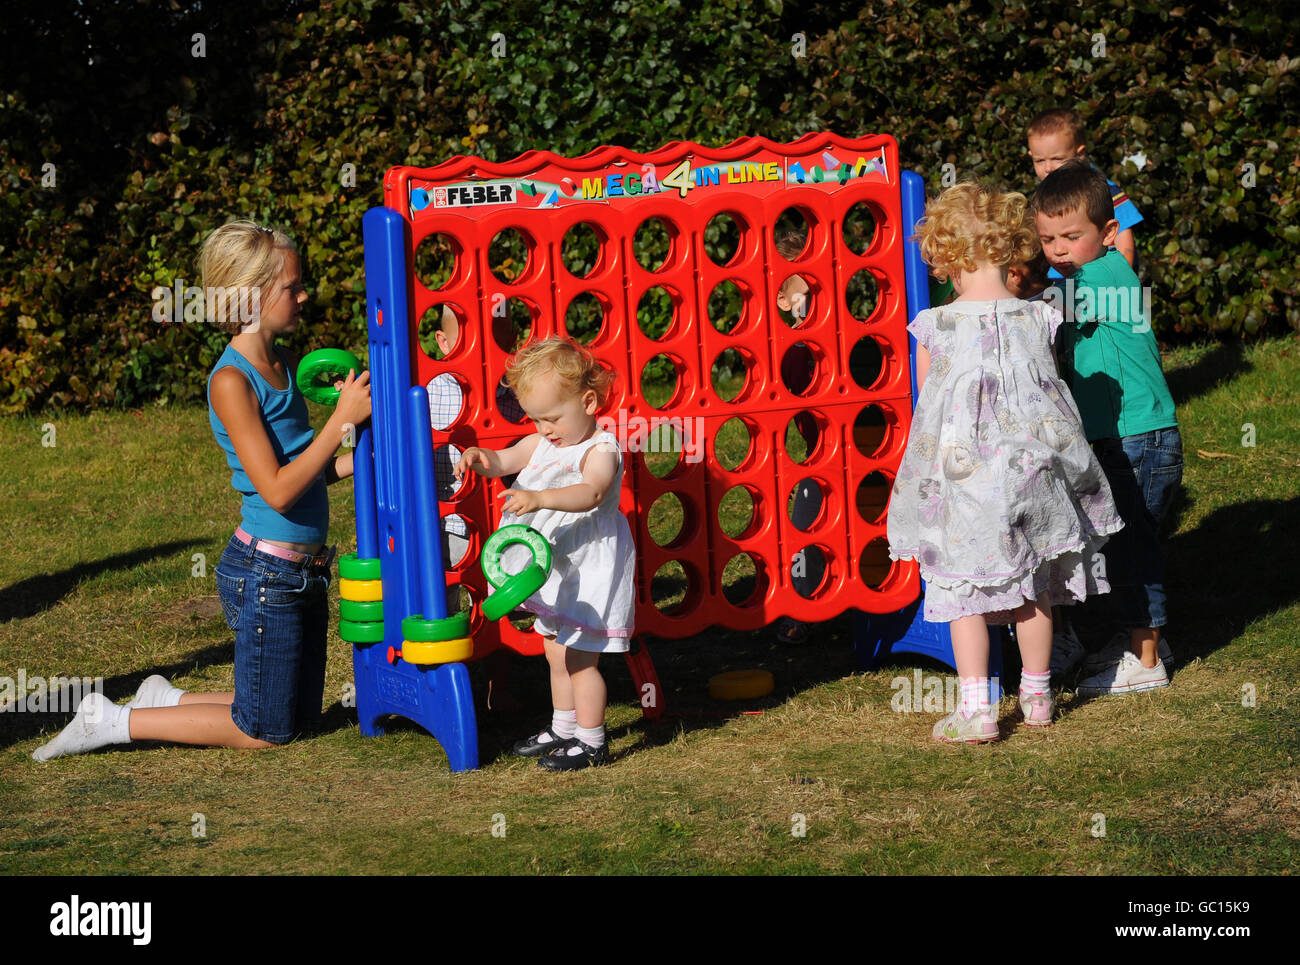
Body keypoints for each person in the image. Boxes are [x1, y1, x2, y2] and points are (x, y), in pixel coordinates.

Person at [32, 220, 371, 762]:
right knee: (264, 730)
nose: (305, 295)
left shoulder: (282, 365)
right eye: (293, 287)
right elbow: (279, 491)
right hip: (266, 574)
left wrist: (360, 458)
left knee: (298, 719)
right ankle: (112, 719)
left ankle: (167, 697)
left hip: (303, 573)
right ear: (253, 296)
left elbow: (307, 469)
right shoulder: (231, 382)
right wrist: (340, 422)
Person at [885, 182, 1122, 743]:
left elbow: (932, 407)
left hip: (969, 482)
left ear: (943, 257)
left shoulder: (935, 326)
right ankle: (1037, 696)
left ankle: (978, 709)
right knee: (1034, 587)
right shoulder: (1038, 316)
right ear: (1014, 248)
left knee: (965, 593)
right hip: (1035, 472)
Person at [1034, 161, 1182, 696]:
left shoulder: (1100, 276)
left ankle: (1145, 661)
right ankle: (1148, 640)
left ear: (1109, 234)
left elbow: (1037, 316)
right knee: (1130, 544)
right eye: (1047, 238)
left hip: (1136, 439)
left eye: (1071, 236)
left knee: (1132, 551)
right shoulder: (1087, 277)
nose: (1057, 249)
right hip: (1133, 436)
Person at [454, 337, 634, 769]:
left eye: (551, 418)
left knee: (579, 658)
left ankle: (592, 741)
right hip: (557, 567)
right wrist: (483, 459)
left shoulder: (601, 450)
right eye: (536, 420)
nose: (543, 429)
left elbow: (590, 492)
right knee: (553, 648)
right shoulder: (544, 442)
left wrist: (538, 498)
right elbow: (505, 460)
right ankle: (563, 727)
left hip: (591, 570)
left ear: (589, 402)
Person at [1026, 108, 1143, 270]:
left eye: (1057, 159)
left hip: (1101, 281)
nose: (1048, 168)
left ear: (1080, 154)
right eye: (1039, 161)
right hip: (1060, 283)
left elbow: (1124, 240)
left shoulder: (1100, 190)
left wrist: (1121, 279)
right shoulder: (1046, 194)